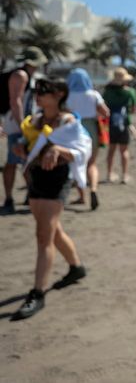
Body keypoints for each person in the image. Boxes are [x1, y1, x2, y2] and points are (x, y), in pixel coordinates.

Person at [11, 78, 92, 320]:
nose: (38, 95)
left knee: (43, 235)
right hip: (35, 176)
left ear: (59, 94)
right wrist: (22, 150)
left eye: (43, 92)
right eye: (36, 91)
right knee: (52, 230)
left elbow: (83, 148)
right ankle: (76, 268)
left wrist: (59, 150)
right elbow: (31, 147)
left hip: (57, 178)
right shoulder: (35, 120)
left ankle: (38, 292)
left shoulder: (68, 121)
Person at [1, 46, 47, 213]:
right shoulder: (20, 75)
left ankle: (30, 195)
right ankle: (9, 199)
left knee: (26, 160)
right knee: (14, 160)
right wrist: (23, 126)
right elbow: (16, 101)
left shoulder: (28, 76)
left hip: (24, 124)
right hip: (17, 125)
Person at [66, 68, 109, 210]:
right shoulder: (93, 94)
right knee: (91, 163)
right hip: (91, 128)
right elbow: (105, 112)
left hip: (72, 129)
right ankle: (94, 189)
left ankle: (81, 196)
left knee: (77, 164)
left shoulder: (67, 96)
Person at [103, 67, 136, 184]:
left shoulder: (107, 92)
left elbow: (104, 108)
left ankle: (109, 174)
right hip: (124, 123)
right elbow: (134, 109)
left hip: (111, 125)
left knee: (111, 150)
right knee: (124, 151)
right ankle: (124, 175)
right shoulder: (130, 92)